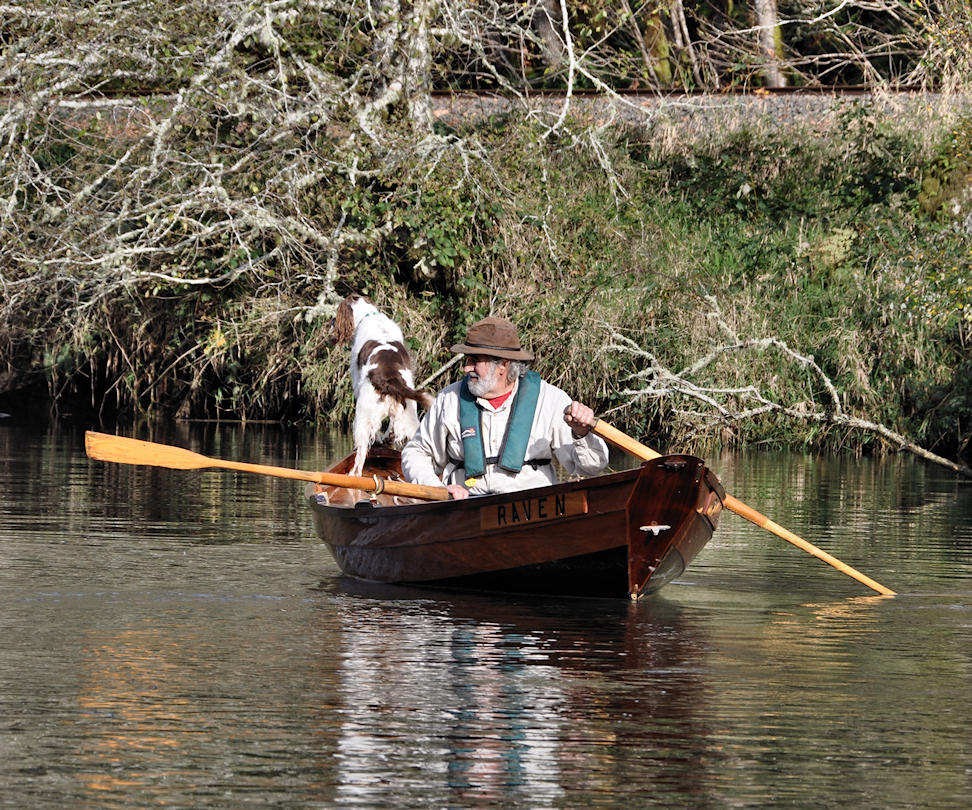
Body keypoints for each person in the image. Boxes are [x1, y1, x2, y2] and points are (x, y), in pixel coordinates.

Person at [401, 316, 609, 500]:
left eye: (475, 361)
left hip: (532, 513)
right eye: (467, 360)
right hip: (465, 512)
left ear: (503, 365)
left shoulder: (550, 400)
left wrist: (582, 434)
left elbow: (592, 468)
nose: (466, 368)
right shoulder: (449, 399)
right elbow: (416, 453)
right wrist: (437, 488)